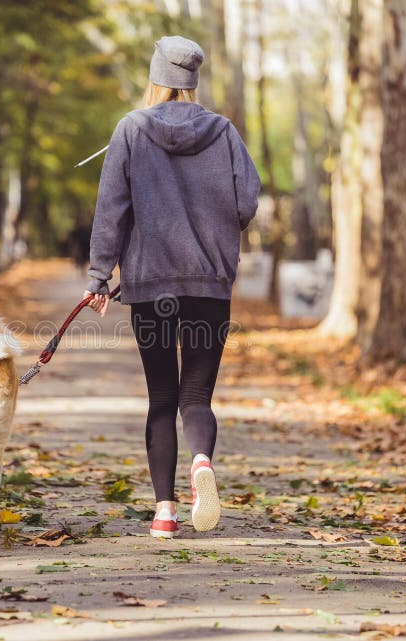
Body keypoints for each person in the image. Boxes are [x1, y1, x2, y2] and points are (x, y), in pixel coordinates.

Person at [83, 36, 261, 538]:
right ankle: (201, 461)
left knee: (161, 396)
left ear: (156, 77)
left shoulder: (131, 129)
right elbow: (247, 202)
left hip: (151, 285)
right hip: (209, 284)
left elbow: (111, 208)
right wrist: (218, 230)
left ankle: (164, 511)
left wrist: (100, 276)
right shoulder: (224, 131)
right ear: (193, 81)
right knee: (197, 395)